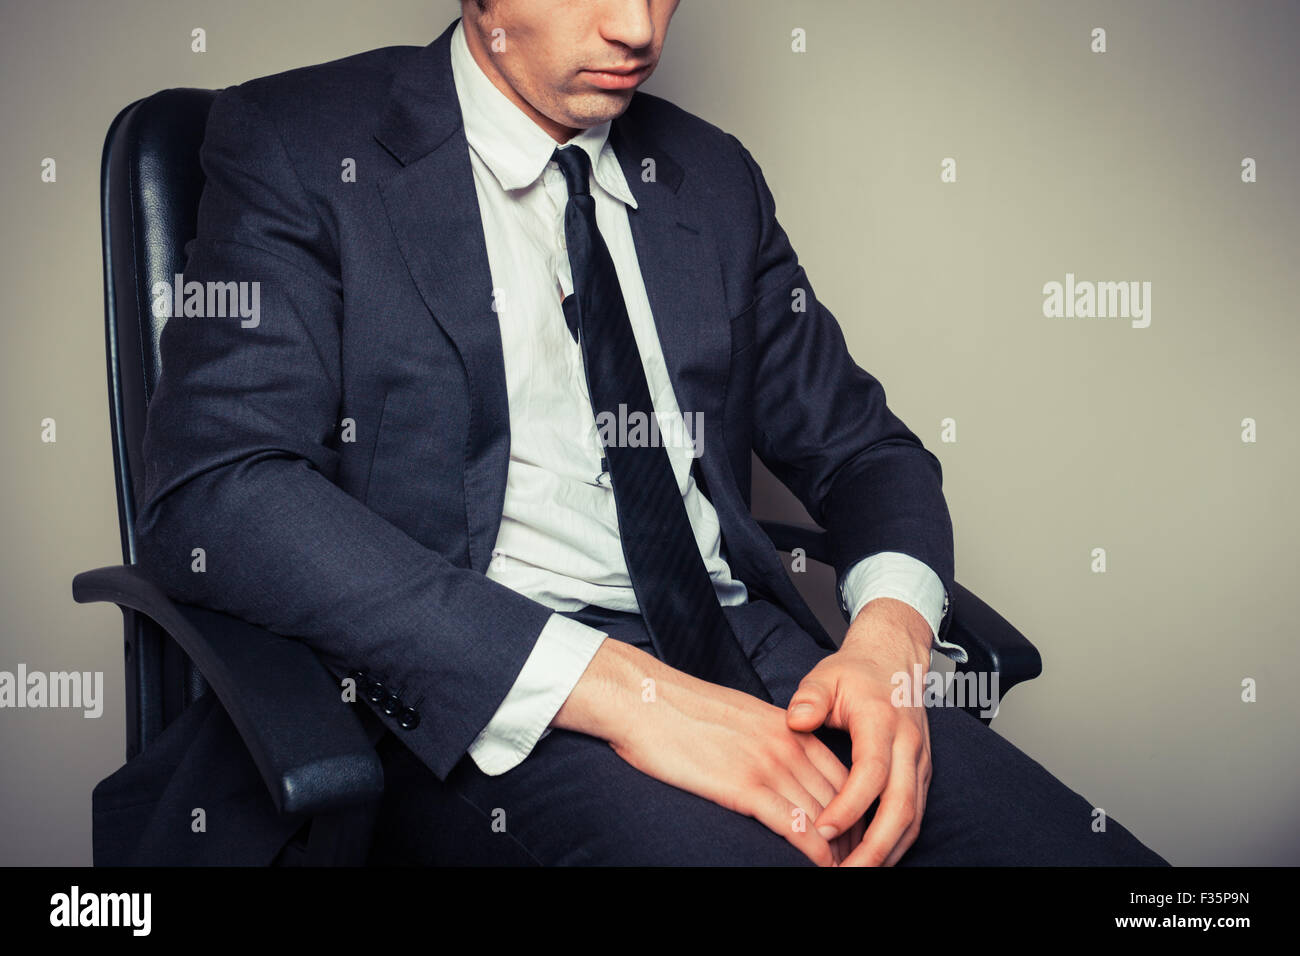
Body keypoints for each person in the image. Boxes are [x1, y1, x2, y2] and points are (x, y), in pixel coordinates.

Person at [111, 0, 1167, 866]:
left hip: (755, 655)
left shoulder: (710, 179)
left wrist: (888, 637)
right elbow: (220, 486)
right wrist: (623, 694)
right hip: (482, 693)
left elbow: (863, 449)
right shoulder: (299, 144)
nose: (639, 29)